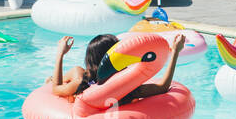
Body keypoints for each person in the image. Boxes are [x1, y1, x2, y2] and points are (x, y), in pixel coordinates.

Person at [48, 32, 184, 104]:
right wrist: (175, 52)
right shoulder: (124, 86)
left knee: (77, 71)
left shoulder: (81, 81)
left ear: (90, 59)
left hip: (82, 82)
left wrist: (60, 53)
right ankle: (51, 79)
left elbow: (56, 88)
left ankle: (51, 78)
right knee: (77, 72)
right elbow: (163, 87)